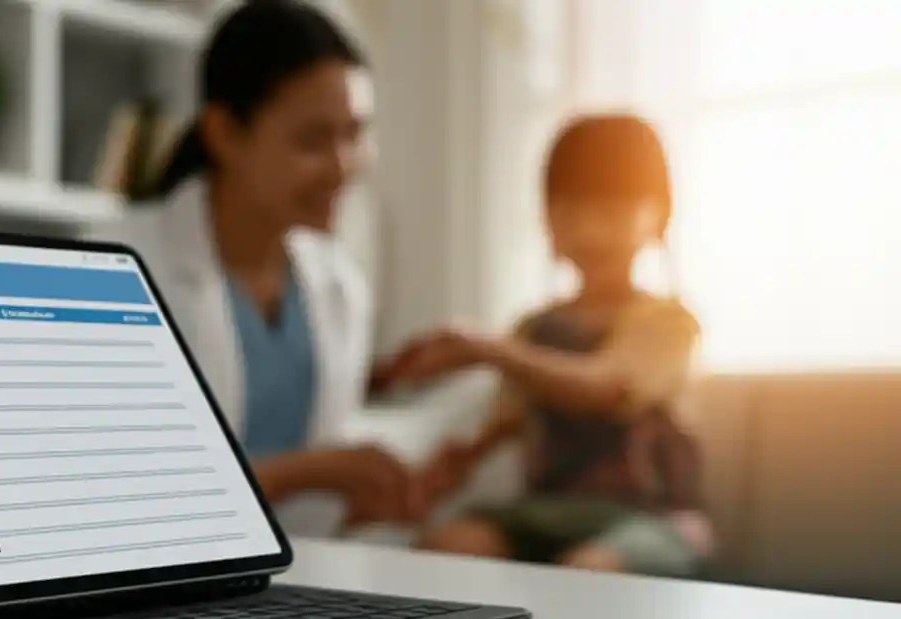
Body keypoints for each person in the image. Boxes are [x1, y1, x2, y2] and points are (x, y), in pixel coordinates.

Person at [117, 1, 420, 528]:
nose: (343, 167)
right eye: (313, 140)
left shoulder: (340, 286)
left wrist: (387, 492)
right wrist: (309, 471)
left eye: (356, 133)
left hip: (298, 586)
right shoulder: (118, 263)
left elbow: (315, 517)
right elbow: (124, 493)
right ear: (225, 133)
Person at [377, 115, 713, 575]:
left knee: (589, 569)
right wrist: (441, 474)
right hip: (547, 512)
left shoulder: (669, 324)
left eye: (612, 211)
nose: (591, 230)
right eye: (572, 210)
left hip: (651, 518)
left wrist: (489, 349)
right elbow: (501, 427)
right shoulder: (535, 328)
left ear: (658, 215)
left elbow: (607, 388)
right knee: (448, 546)